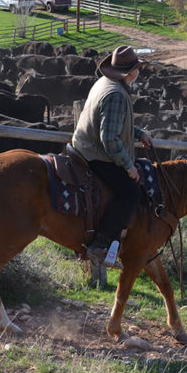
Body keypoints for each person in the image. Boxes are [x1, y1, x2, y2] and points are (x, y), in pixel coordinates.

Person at [71, 45, 153, 267]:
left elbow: (116, 124)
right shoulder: (116, 93)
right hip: (95, 151)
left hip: (86, 143)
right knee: (129, 192)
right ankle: (101, 244)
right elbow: (109, 139)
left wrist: (139, 133)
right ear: (130, 72)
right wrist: (129, 166)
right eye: (137, 68)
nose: (138, 73)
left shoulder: (105, 83)